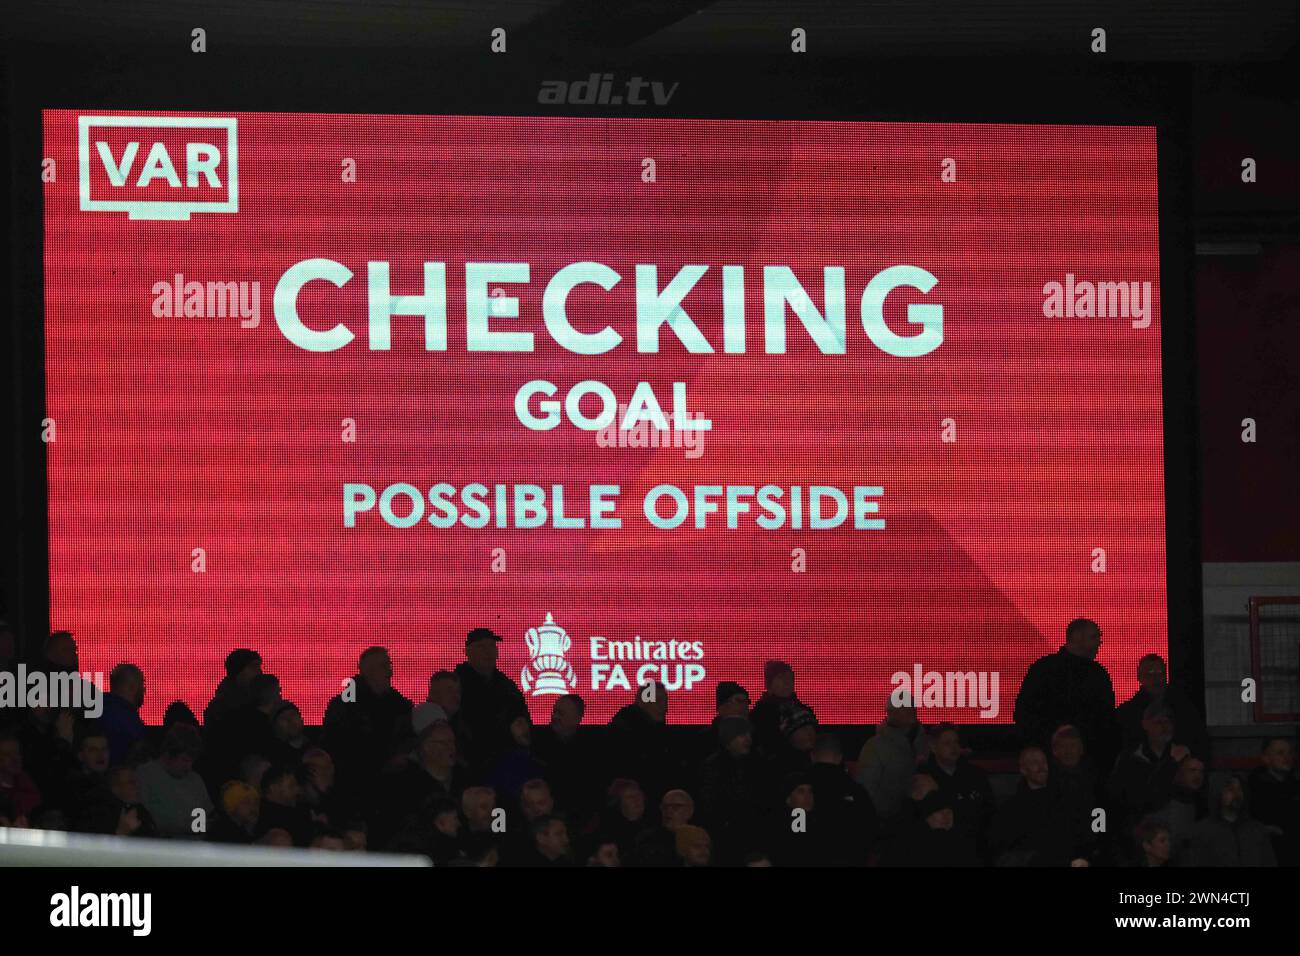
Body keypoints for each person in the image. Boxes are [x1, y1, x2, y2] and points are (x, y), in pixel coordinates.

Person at [1014, 618, 1116, 766]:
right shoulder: (1097, 675)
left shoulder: (1043, 668)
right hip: (1070, 763)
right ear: (1077, 637)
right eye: (1094, 637)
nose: (1099, 642)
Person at [321, 646, 414, 805]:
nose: (390, 672)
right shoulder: (345, 706)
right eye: (384, 666)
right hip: (355, 785)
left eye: (389, 665)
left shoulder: (401, 706)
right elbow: (339, 746)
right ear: (369, 670)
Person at [1107, 700, 1188, 846]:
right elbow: (1139, 799)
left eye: (1167, 721)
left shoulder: (1184, 757)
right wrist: (1171, 764)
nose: (1164, 727)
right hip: (1143, 843)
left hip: (1179, 841)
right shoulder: (1130, 760)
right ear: (1145, 725)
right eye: (1158, 722)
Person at [988, 746, 1079, 867]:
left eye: (1043, 762)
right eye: (1034, 762)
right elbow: (1000, 848)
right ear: (1023, 769)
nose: (1041, 767)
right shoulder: (1012, 809)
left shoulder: (1063, 799)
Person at [696, 715, 766, 866]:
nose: (748, 739)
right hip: (725, 840)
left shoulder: (758, 764)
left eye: (749, 734)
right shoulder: (713, 767)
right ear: (728, 739)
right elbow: (709, 805)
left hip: (753, 837)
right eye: (741, 735)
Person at [453, 628, 526, 772]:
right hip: (471, 764)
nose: (488, 651)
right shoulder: (456, 684)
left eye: (492, 646)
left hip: (507, 761)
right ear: (467, 652)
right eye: (481, 646)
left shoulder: (507, 685)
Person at [856, 695, 928, 838]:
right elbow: (866, 791)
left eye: (911, 707)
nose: (910, 711)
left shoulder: (926, 745)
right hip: (888, 827)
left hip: (922, 825)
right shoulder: (875, 746)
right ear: (890, 714)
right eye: (904, 708)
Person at [1114, 654, 1209, 759]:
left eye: (1160, 673)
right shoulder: (1127, 713)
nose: (1156, 678)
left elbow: (1199, 740)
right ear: (1140, 677)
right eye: (1150, 674)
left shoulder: (1185, 709)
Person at [920, 723, 993, 857]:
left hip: (973, 849)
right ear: (933, 747)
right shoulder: (922, 779)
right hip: (936, 852)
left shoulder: (976, 775)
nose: (954, 747)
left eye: (956, 742)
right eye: (947, 743)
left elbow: (989, 813)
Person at [807, 732, 879, 864]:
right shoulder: (856, 791)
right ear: (839, 758)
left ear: (812, 756)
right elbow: (871, 830)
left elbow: (794, 828)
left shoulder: (801, 789)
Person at [135, 724, 213, 839]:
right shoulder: (145, 774)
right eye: (184, 760)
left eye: (192, 761)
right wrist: (187, 826)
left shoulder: (195, 780)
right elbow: (146, 820)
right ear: (167, 754)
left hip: (197, 850)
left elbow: (207, 818)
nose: (189, 767)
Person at [606, 681, 680, 801]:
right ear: (642, 702)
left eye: (665, 701)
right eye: (658, 700)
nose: (664, 706)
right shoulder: (622, 734)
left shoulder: (664, 734)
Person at [533, 693, 600, 825]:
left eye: (561, 713)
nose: (555, 716)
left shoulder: (592, 744)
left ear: (577, 718)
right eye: (554, 712)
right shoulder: (538, 740)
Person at [1185, 776, 1277, 867]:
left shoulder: (1257, 829)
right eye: (1230, 789)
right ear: (1218, 794)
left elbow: (1269, 862)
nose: (1237, 794)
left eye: (1239, 789)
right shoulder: (1203, 831)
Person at [1248, 737, 1298, 866]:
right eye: (1280, 753)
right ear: (1266, 758)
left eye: (1290, 753)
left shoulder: (1295, 785)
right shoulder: (1253, 787)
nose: (1287, 757)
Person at [749, 661, 815, 756]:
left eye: (790, 677)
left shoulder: (805, 710)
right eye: (781, 677)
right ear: (769, 684)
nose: (787, 681)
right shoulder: (760, 714)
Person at [99, 663, 147, 766]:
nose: (144, 690)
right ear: (132, 687)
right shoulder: (130, 722)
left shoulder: (96, 709)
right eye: (142, 685)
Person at [256, 764, 315, 847]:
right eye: (291, 786)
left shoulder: (297, 811)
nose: (298, 790)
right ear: (273, 788)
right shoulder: (270, 817)